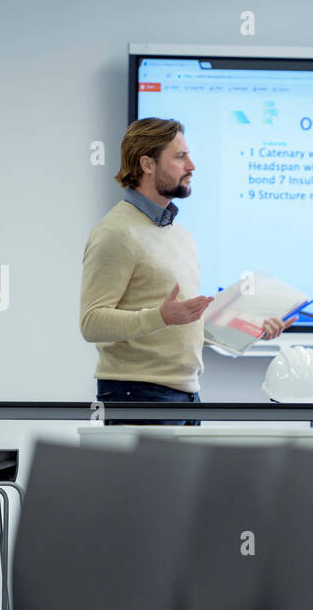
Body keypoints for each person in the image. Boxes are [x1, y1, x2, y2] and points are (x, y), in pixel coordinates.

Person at [78, 118, 291, 426]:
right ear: (147, 164)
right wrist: (161, 317)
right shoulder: (116, 233)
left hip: (188, 396)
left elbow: (188, 325)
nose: (191, 165)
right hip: (136, 396)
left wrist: (252, 327)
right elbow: (91, 323)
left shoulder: (181, 235)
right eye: (179, 157)